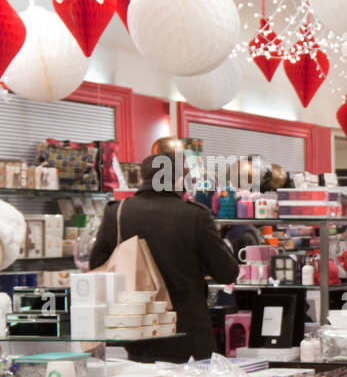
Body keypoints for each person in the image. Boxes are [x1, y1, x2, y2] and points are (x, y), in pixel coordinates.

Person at [89, 152, 240, 362]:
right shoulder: (195, 215)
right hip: (188, 331)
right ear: (178, 179)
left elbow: (96, 267)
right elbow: (227, 272)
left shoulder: (117, 212)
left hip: (137, 329)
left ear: (142, 178)